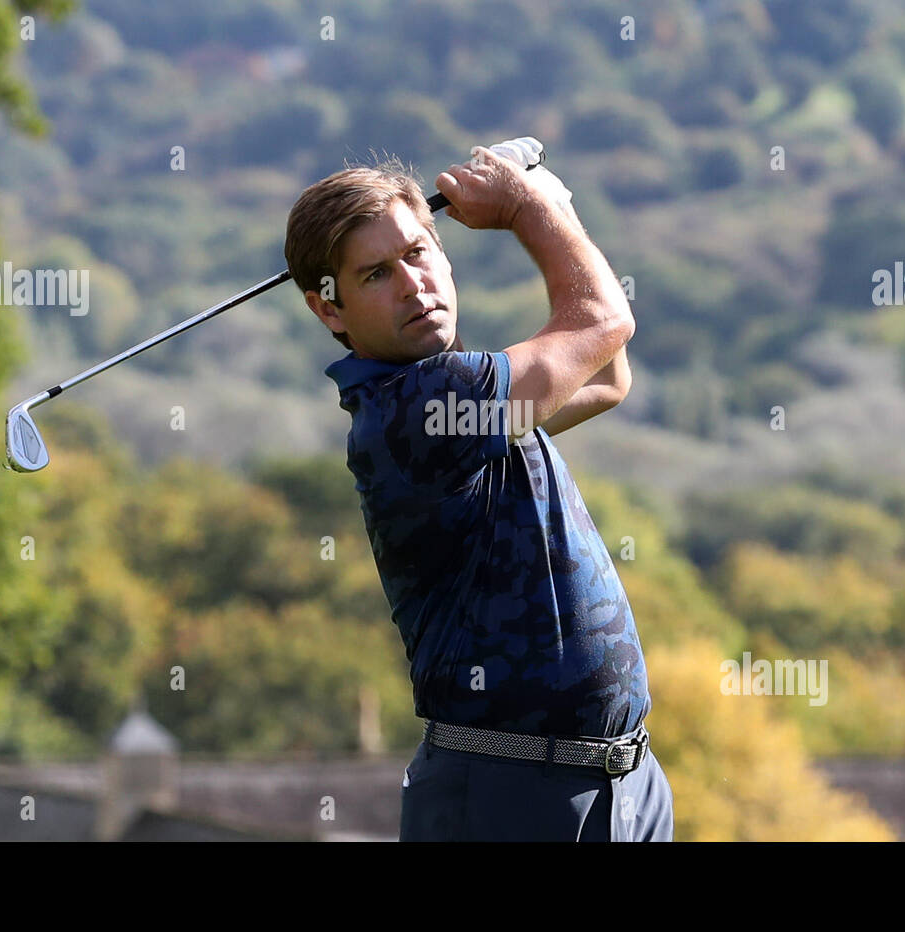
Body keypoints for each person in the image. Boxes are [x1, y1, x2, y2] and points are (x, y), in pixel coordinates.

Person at [283, 145, 673, 841]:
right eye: (376, 273)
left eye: (419, 252)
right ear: (329, 310)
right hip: (509, 796)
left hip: (622, 784)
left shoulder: (466, 393)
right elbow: (604, 321)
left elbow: (607, 376)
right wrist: (528, 210)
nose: (412, 283)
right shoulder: (420, 409)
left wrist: (558, 209)